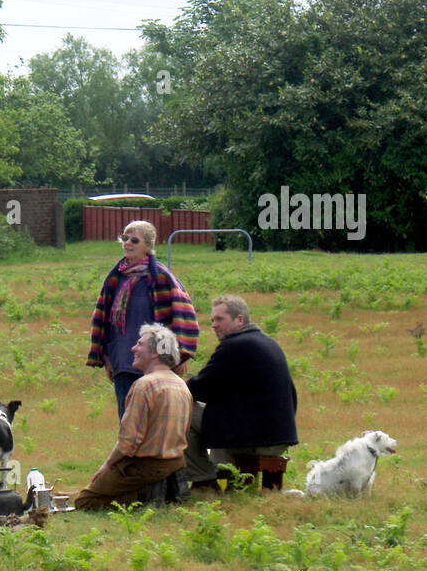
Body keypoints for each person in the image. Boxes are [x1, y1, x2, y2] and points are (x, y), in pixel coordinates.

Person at [85, 219, 198, 419]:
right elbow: (103, 320)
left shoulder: (161, 277)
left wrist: (179, 355)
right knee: (128, 423)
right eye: (125, 238)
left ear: (148, 246)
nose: (127, 243)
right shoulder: (115, 278)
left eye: (134, 240)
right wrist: (106, 356)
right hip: (123, 362)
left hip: (155, 364)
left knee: (155, 423)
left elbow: (183, 316)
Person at [180, 294, 298, 485]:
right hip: (279, 436)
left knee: (180, 406)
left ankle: (203, 479)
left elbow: (196, 389)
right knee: (217, 415)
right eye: (212, 320)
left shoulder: (235, 346)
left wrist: (169, 386)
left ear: (239, 320)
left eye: (219, 319)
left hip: (257, 438)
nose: (213, 325)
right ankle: (221, 473)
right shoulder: (268, 343)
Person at [74, 323, 192, 511]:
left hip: (145, 467)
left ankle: (145, 497)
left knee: (85, 501)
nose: (133, 348)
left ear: (155, 352)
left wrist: (106, 466)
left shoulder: (144, 386)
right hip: (175, 463)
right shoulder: (181, 385)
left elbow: (129, 441)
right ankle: (162, 491)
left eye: (140, 344)